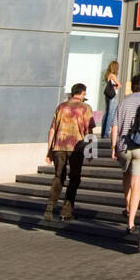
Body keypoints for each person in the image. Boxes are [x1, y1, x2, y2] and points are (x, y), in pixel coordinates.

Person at [111, 74, 140, 235]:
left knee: (126, 175)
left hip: (124, 146)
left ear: (132, 87)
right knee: (137, 185)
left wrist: (113, 147)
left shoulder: (123, 102)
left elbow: (114, 127)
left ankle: (127, 206)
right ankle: (131, 223)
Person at [44, 83, 94, 221]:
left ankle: (50, 206)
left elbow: (52, 129)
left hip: (59, 146)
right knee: (74, 178)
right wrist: (91, 150)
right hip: (76, 147)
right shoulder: (85, 108)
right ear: (83, 93)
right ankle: (66, 211)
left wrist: (49, 150)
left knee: (58, 176)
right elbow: (89, 131)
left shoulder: (61, 107)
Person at [100, 60, 120, 138]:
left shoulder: (108, 75)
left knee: (107, 113)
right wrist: (116, 87)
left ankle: (104, 132)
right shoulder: (113, 75)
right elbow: (119, 85)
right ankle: (107, 133)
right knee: (111, 113)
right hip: (113, 96)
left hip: (108, 95)